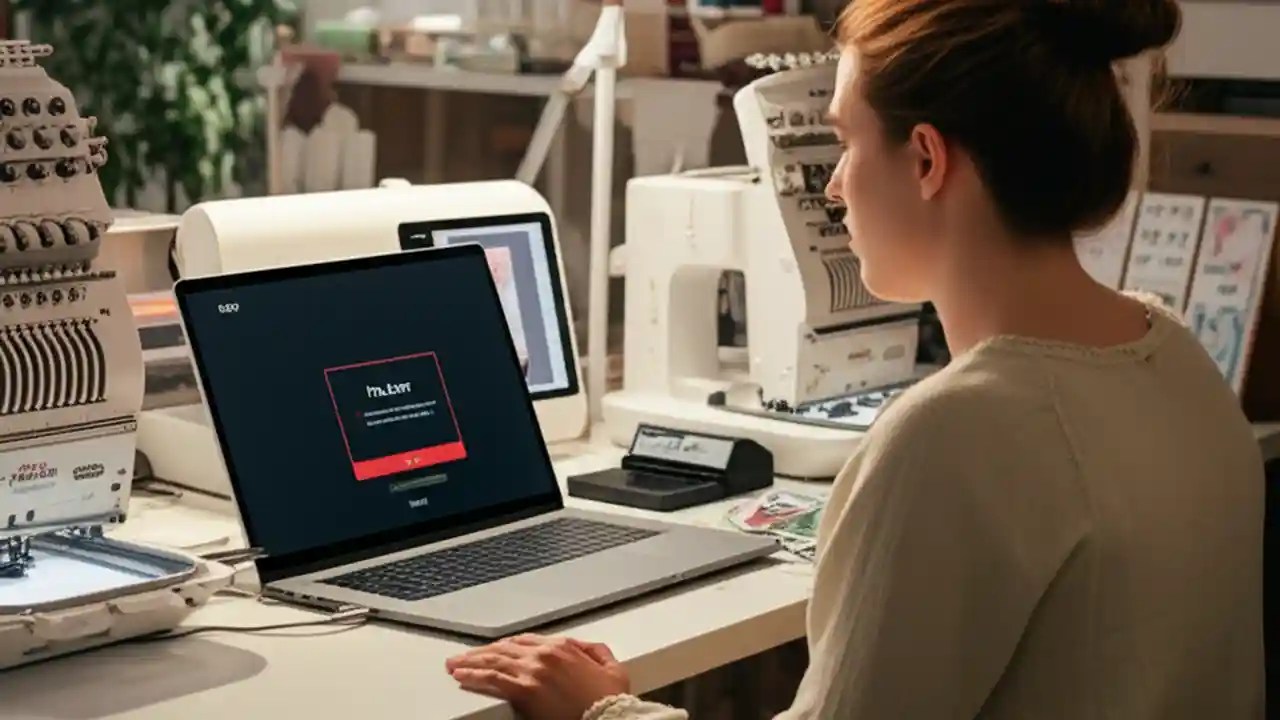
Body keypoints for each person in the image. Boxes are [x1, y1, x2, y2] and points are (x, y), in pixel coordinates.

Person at [445, 0, 1267, 718]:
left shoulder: (958, 430)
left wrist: (607, 712)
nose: (834, 187)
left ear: (925, 160)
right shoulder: (1174, 354)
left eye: (845, 143)